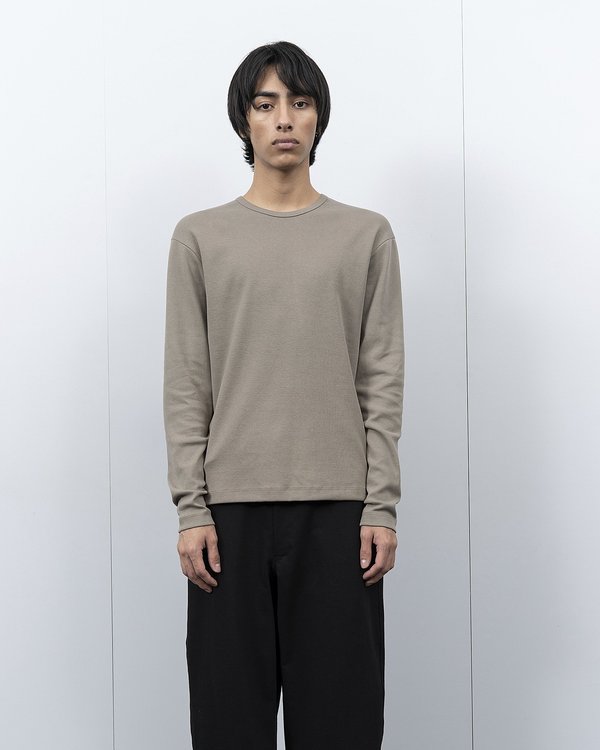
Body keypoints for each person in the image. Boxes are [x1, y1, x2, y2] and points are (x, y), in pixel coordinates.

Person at [163, 40, 405, 750]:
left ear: (319, 117)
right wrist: (191, 508)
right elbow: (187, 382)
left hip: (339, 514)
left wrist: (381, 504)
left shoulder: (365, 235)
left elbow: (382, 379)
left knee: (340, 725)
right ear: (244, 119)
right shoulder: (200, 237)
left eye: (299, 103)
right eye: (266, 104)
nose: (284, 119)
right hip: (228, 518)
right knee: (228, 726)